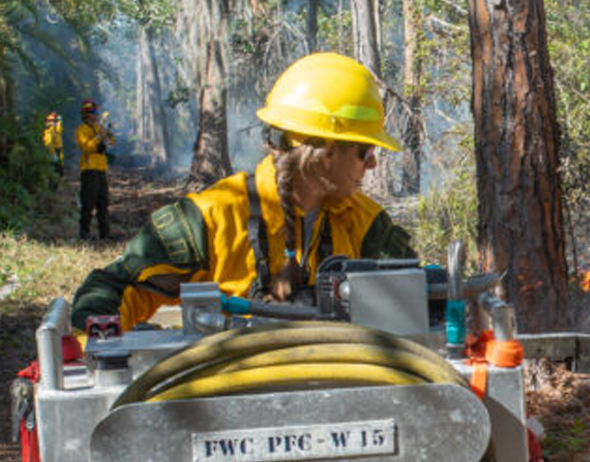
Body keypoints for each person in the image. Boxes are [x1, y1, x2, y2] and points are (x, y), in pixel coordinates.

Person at [71, 53, 412, 331]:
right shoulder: (214, 218)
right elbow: (110, 290)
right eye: (365, 152)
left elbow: (416, 300)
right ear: (327, 154)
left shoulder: (367, 225)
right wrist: (102, 347)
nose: (373, 164)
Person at [76, 99, 113, 240]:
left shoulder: (99, 127)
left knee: (103, 202)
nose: (96, 115)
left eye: (96, 112)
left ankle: (105, 233)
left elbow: (110, 143)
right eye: (93, 112)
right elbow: (86, 147)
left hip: (101, 168)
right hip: (89, 169)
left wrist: (108, 134)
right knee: (88, 202)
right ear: (86, 114)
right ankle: (84, 232)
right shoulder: (82, 130)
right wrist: (98, 137)